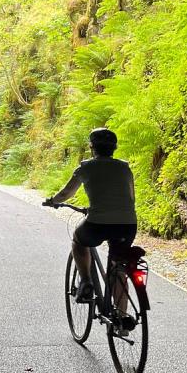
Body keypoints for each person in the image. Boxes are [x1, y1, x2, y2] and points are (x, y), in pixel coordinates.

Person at [43, 128, 137, 303]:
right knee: (118, 267)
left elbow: (65, 194)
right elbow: (131, 197)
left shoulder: (86, 167)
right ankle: (122, 320)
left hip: (98, 223)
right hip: (128, 224)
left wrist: (53, 201)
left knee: (78, 241)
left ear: (92, 147)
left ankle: (86, 282)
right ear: (114, 148)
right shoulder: (125, 168)